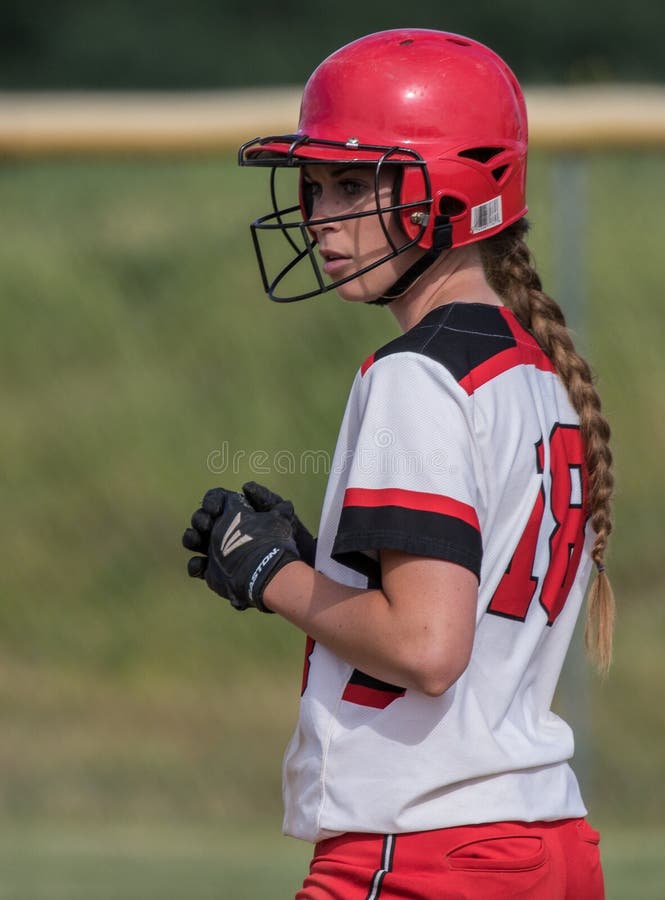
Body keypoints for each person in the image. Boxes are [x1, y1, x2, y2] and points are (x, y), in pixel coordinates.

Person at [182, 28, 614, 899]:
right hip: (541, 839)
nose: (319, 216)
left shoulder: (416, 374)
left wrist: (269, 574)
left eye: (351, 185)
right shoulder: (537, 374)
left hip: (427, 846)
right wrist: (324, 571)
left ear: (452, 193)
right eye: (315, 187)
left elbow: (425, 648)